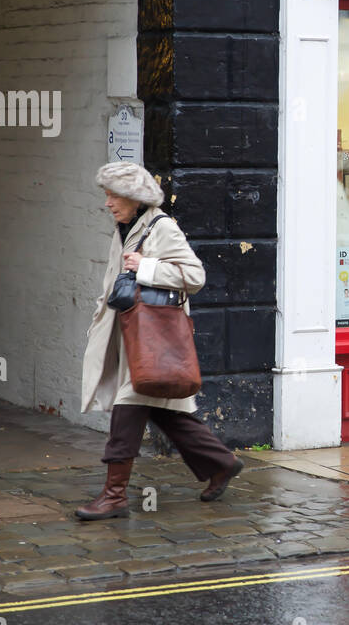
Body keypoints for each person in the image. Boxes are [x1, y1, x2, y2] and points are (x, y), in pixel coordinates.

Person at [77, 163, 243, 520]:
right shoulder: (123, 229)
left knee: (127, 412)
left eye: (113, 195)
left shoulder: (161, 228)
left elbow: (194, 276)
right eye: (106, 194)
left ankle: (114, 496)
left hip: (152, 340)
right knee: (167, 414)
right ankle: (221, 463)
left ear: (134, 198)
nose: (107, 203)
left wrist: (147, 266)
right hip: (131, 337)